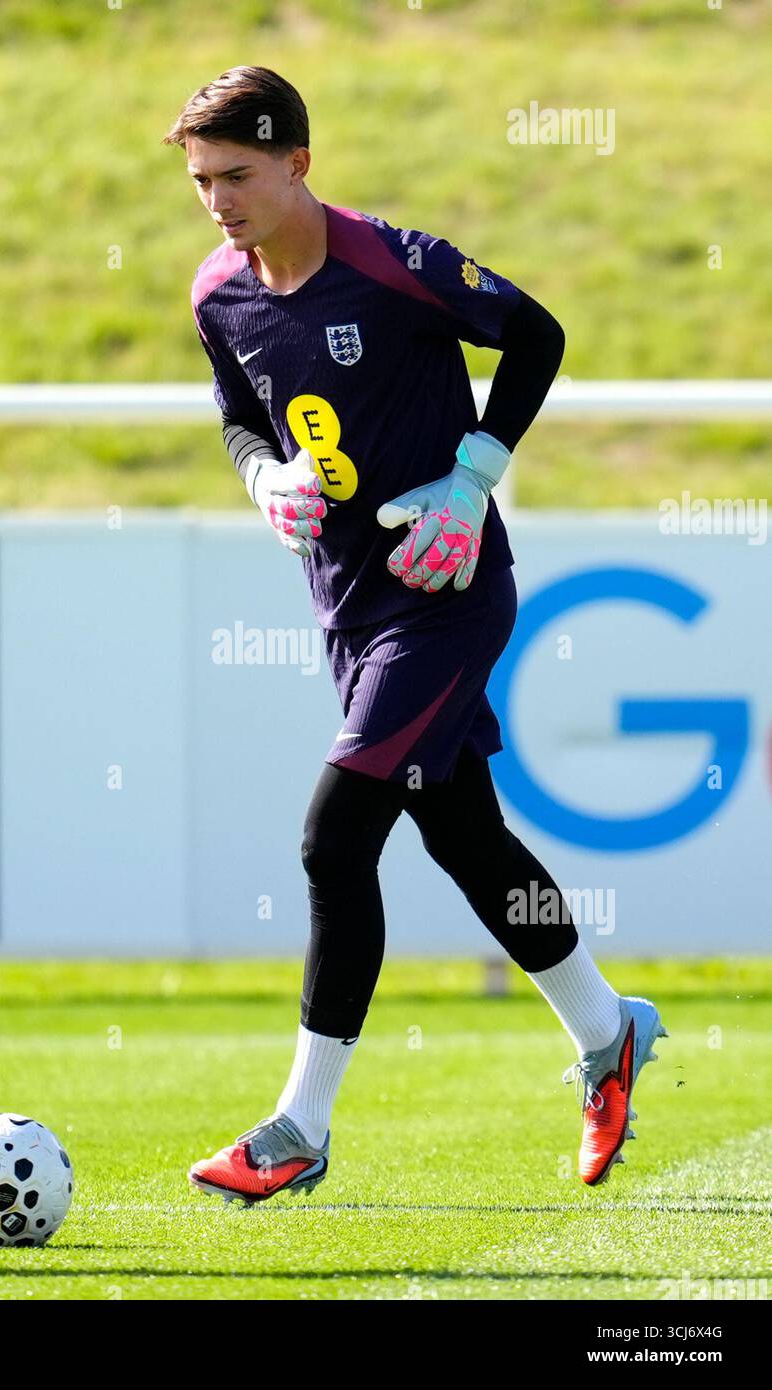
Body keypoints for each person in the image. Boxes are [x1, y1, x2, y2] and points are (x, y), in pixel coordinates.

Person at [163, 66, 666, 1203]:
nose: (218, 201)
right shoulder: (216, 292)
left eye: (237, 175)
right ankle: (606, 1032)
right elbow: (239, 413)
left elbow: (534, 333)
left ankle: (298, 1125)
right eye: (200, 180)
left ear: (298, 161)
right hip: (345, 605)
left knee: (332, 841)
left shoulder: (393, 262)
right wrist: (260, 480)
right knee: (467, 841)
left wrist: (471, 477)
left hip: (444, 597)